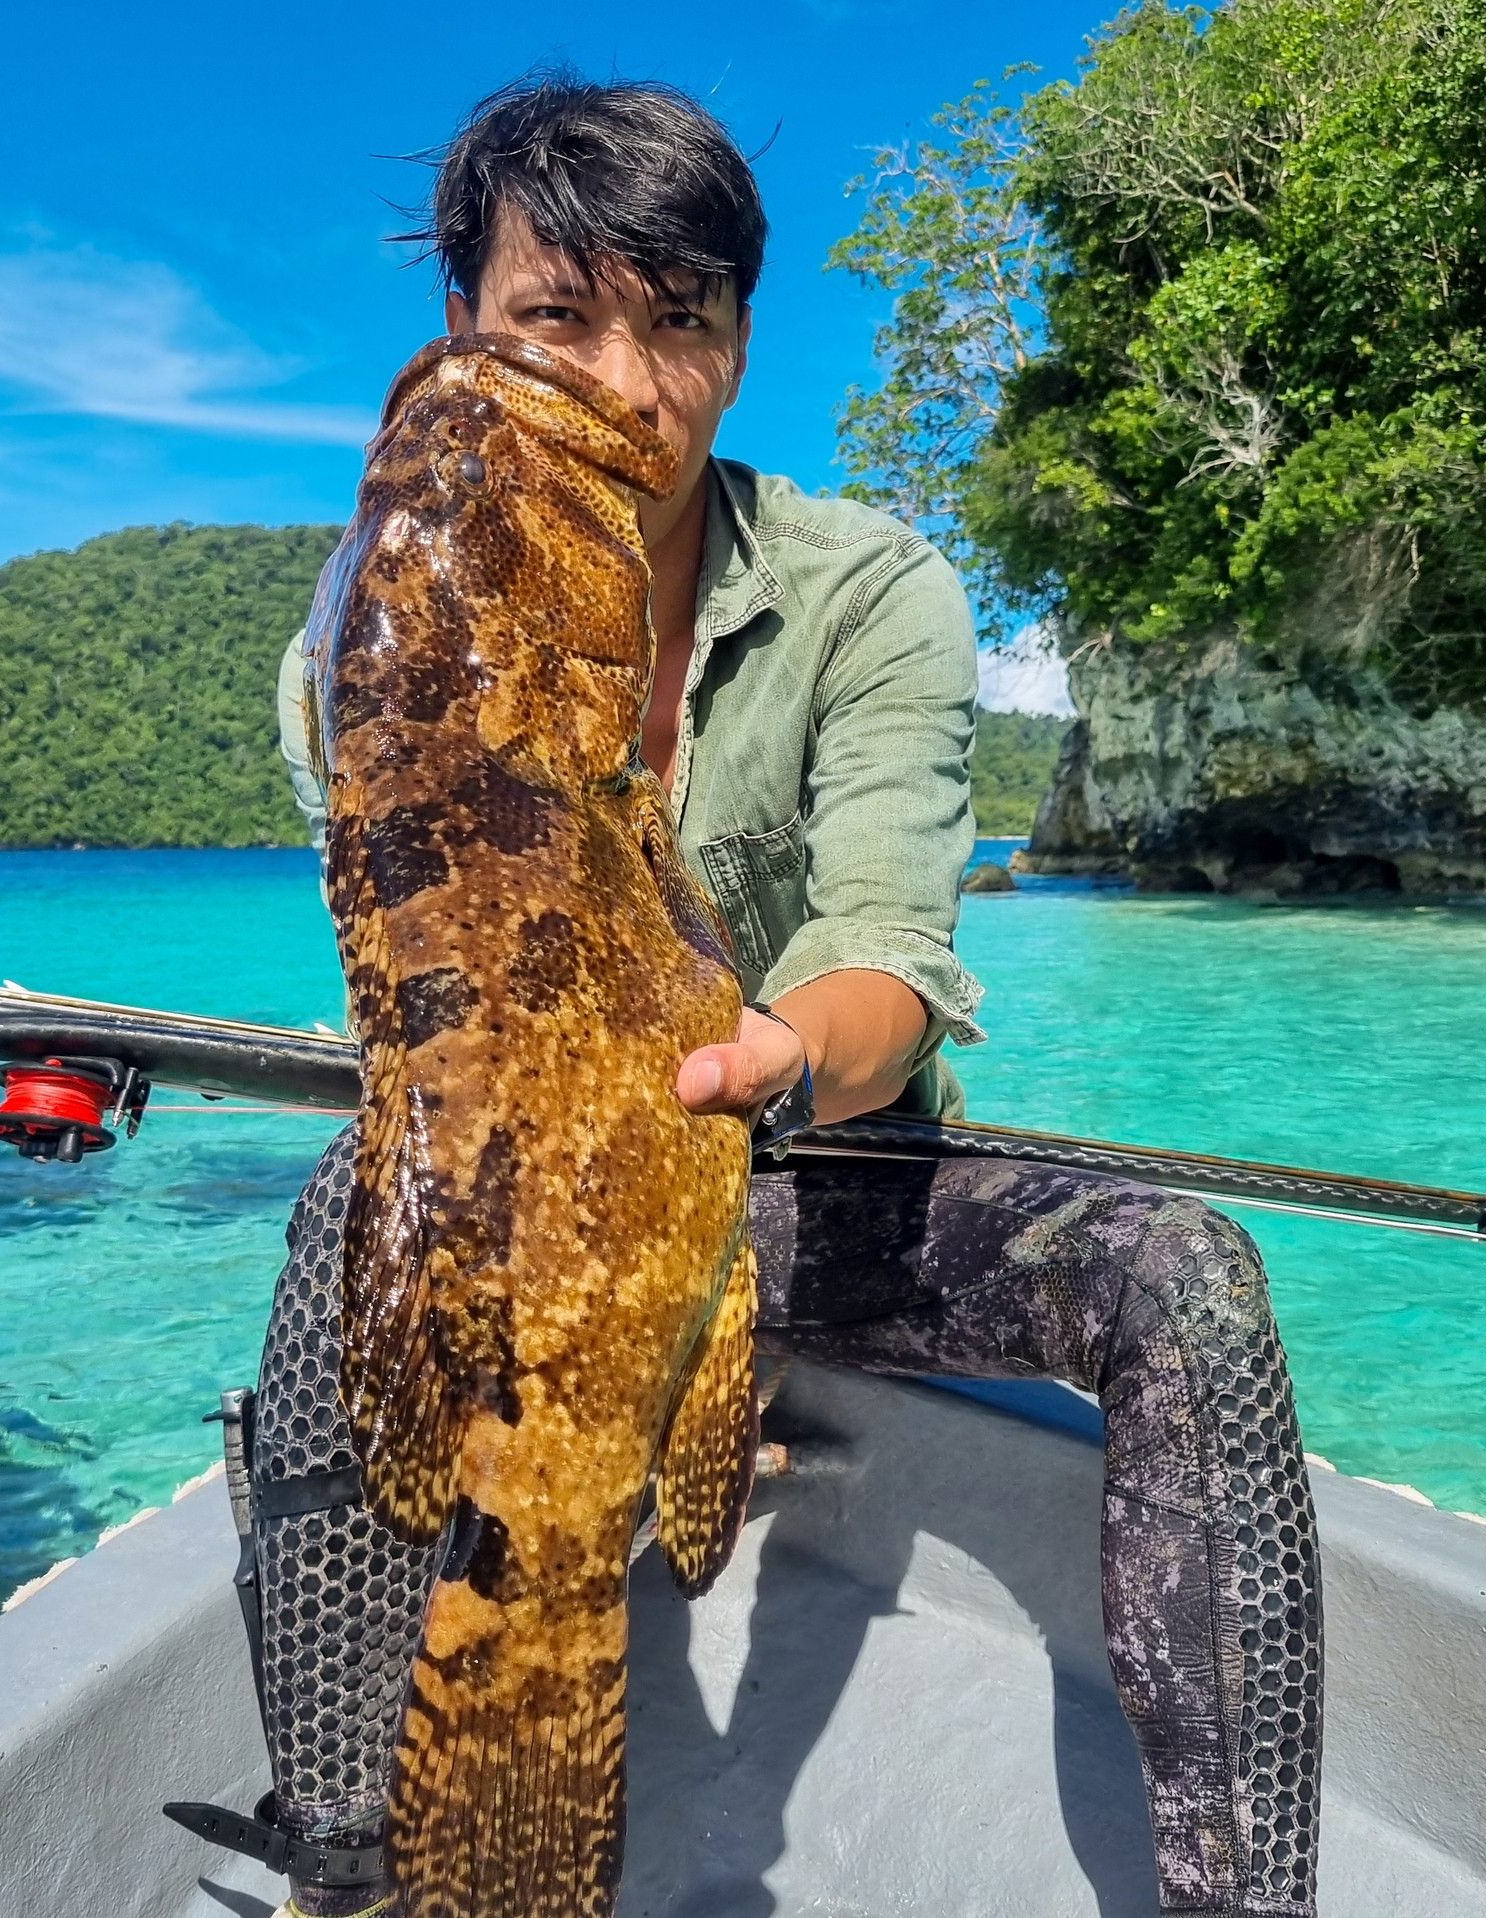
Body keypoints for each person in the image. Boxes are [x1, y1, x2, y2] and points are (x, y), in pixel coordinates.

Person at [238, 76, 1322, 1918]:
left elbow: (888, 958)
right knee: (352, 1200)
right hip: (550, 1228)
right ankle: (352, 1846)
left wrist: (768, 1062)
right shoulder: (364, 650)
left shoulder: (872, 590)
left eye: (682, 320)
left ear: (740, 337)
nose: (631, 386)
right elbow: (424, 1040)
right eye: (556, 317)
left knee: (1187, 1279)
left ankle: (1247, 1901)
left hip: (816, 1171)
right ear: (464, 332)